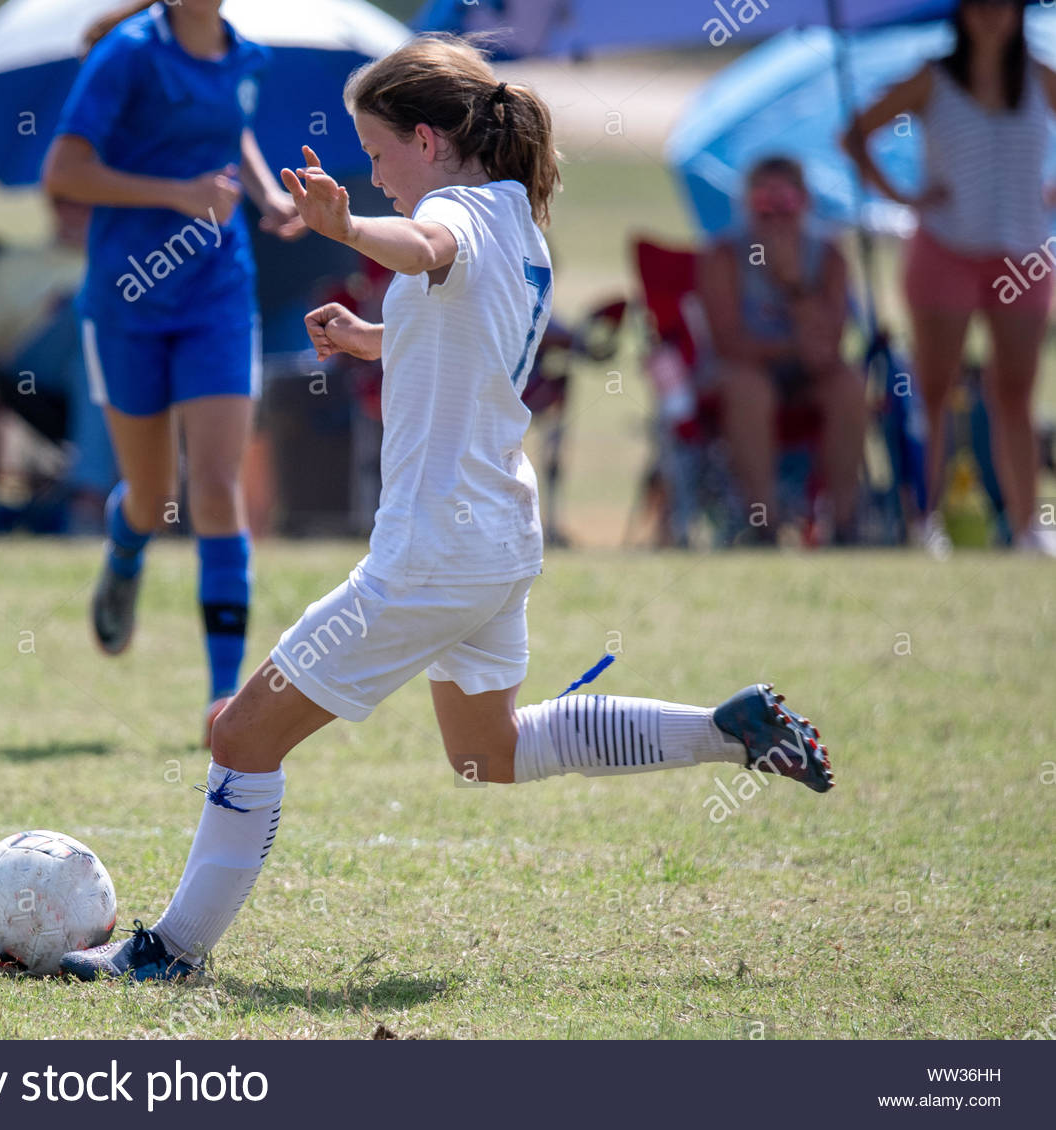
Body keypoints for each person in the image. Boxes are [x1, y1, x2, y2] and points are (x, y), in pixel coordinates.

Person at [57, 36, 835, 984]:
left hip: (432, 552)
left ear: (428, 139)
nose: (374, 176)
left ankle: (170, 954)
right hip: (498, 540)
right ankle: (729, 726)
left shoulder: (450, 213)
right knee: (488, 753)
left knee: (239, 736)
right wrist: (374, 336)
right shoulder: (518, 221)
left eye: (378, 154)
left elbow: (427, 247)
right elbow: (465, 324)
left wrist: (347, 231)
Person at [43, 0, 305, 737]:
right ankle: (125, 549)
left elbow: (231, 131)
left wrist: (267, 194)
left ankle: (225, 700)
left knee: (215, 484)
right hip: (128, 299)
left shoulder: (244, 56)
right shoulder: (127, 53)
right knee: (155, 496)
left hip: (218, 293)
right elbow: (64, 170)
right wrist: (177, 193)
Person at [844, 0, 1056, 557]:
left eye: (1002, 4)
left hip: (1023, 253)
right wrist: (903, 197)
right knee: (933, 390)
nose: (992, 15)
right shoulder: (932, 79)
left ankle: (1027, 525)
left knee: (1016, 391)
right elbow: (855, 134)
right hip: (945, 249)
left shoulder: (1039, 77)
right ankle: (924, 521)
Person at [698, 156, 866, 544]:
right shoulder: (724, 256)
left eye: (785, 204)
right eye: (763, 205)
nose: (775, 218)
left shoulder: (828, 257)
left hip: (807, 373)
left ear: (805, 203)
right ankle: (765, 524)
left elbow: (829, 349)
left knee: (849, 386)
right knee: (749, 388)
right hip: (747, 371)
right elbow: (728, 343)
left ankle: (843, 523)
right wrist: (792, 347)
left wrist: (793, 284)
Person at [0, 197, 116, 527]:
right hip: (30, 372)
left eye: (86, 200)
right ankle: (93, 499)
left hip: (110, 367)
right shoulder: (13, 264)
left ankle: (90, 500)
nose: (75, 209)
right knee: (86, 307)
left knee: (92, 351)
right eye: (66, 200)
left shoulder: (123, 261)